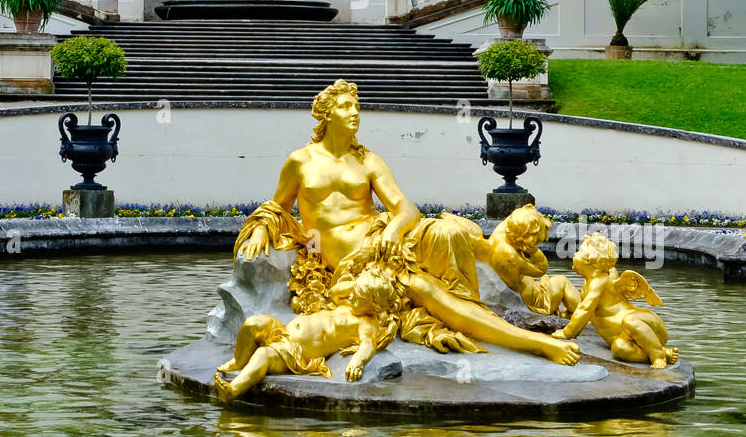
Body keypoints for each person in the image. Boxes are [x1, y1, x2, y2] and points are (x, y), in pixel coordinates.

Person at [235, 79, 580, 366]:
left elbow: (406, 208)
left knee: (449, 230)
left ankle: (515, 280)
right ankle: (532, 341)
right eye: (345, 107)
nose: (355, 113)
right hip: (354, 263)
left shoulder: (368, 161)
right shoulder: (300, 162)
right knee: (427, 292)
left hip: (388, 239)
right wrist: (263, 227)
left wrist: (393, 229)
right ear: (326, 115)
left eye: (357, 107)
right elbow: (276, 206)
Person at [213, 262, 403, 401]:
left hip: (295, 352)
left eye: (359, 297)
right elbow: (334, 292)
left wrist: (358, 362)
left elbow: (368, 344)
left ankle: (233, 390)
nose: (352, 296)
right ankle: (239, 360)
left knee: (263, 354)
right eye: (354, 292)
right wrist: (357, 284)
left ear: (375, 306)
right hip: (283, 332)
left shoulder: (366, 324)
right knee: (254, 323)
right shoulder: (348, 303)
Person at [554, 232, 678, 367]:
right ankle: (663, 353)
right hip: (623, 336)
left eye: (579, 252)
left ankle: (658, 355)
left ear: (588, 259)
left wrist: (567, 333)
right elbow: (585, 311)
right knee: (619, 349)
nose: (575, 255)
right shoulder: (588, 284)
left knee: (630, 321)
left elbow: (585, 309)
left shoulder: (598, 282)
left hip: (643, 325)